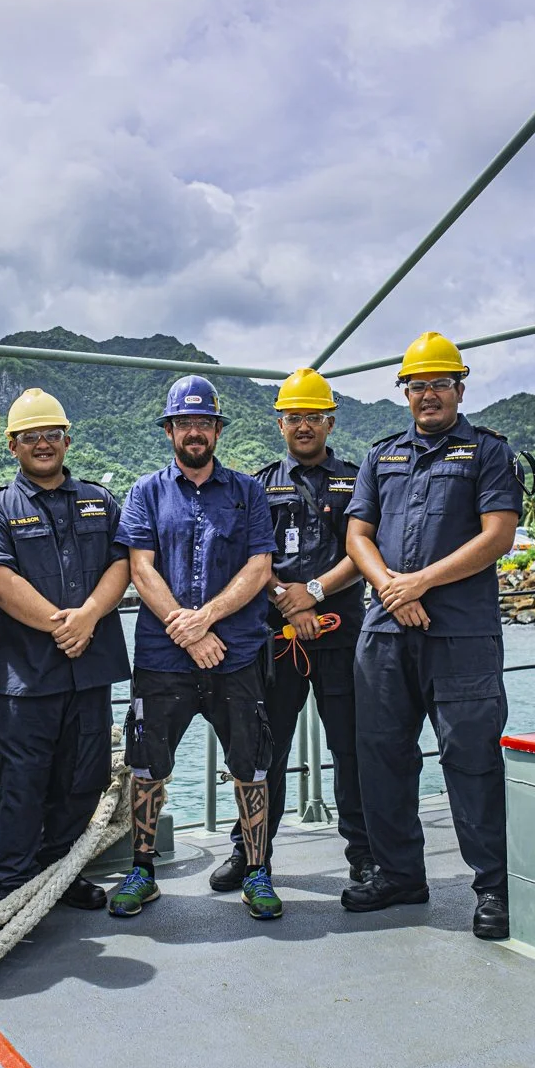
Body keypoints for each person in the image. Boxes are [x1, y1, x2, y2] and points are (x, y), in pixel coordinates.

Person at [342, 331, 522, 940]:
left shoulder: (488, 453)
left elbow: (497, 535)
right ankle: (398, 875)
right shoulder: (381, 455)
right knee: (382, 757)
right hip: (385, 635)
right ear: (405, 394)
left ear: (460, 388)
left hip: (460, 637)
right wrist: (395, 589)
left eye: (438, 384)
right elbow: (357, 536)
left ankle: (493, 887)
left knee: (470, 760)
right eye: (416, 386)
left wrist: (416, 584)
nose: (427, 395)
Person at [109, 375, 279, 920]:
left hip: (237, 654)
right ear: (170, 431)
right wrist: (188, 631)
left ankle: (257, 871)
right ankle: (142, 869)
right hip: (163, 659)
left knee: (251, 766)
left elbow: (260, 567)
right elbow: (141, 566)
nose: (195, 432)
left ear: (217, 431)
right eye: (185, 423)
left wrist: (205, 621)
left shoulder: (248, 492)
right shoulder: (145, 492)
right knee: (147, 766)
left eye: (204, 423)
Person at [209, 368, 374, 898]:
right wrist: (288, 600)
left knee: (350, 750)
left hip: (342, 635)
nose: (303, 426)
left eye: (313, 417)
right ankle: (250, 853)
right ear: (279, 422)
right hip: (277, 641)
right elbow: (252, 556)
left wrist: (315, 595)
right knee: (266, 750)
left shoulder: (357, 478)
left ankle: (365, 857)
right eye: (293, 417)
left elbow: (363, 549)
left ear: (329, 421)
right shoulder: (258, 485)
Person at [0, 388, 130, 909]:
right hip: (26, 677)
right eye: (30, 436)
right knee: (22, 782)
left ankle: (57, 869)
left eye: (52, 435)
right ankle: (9, 883)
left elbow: (121, 564)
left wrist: (87, 618)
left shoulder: (98, 500)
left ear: (67, 440)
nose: (43, 444)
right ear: (12, 445)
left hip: (90, 671)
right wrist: (64, 626)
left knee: (87, 778)